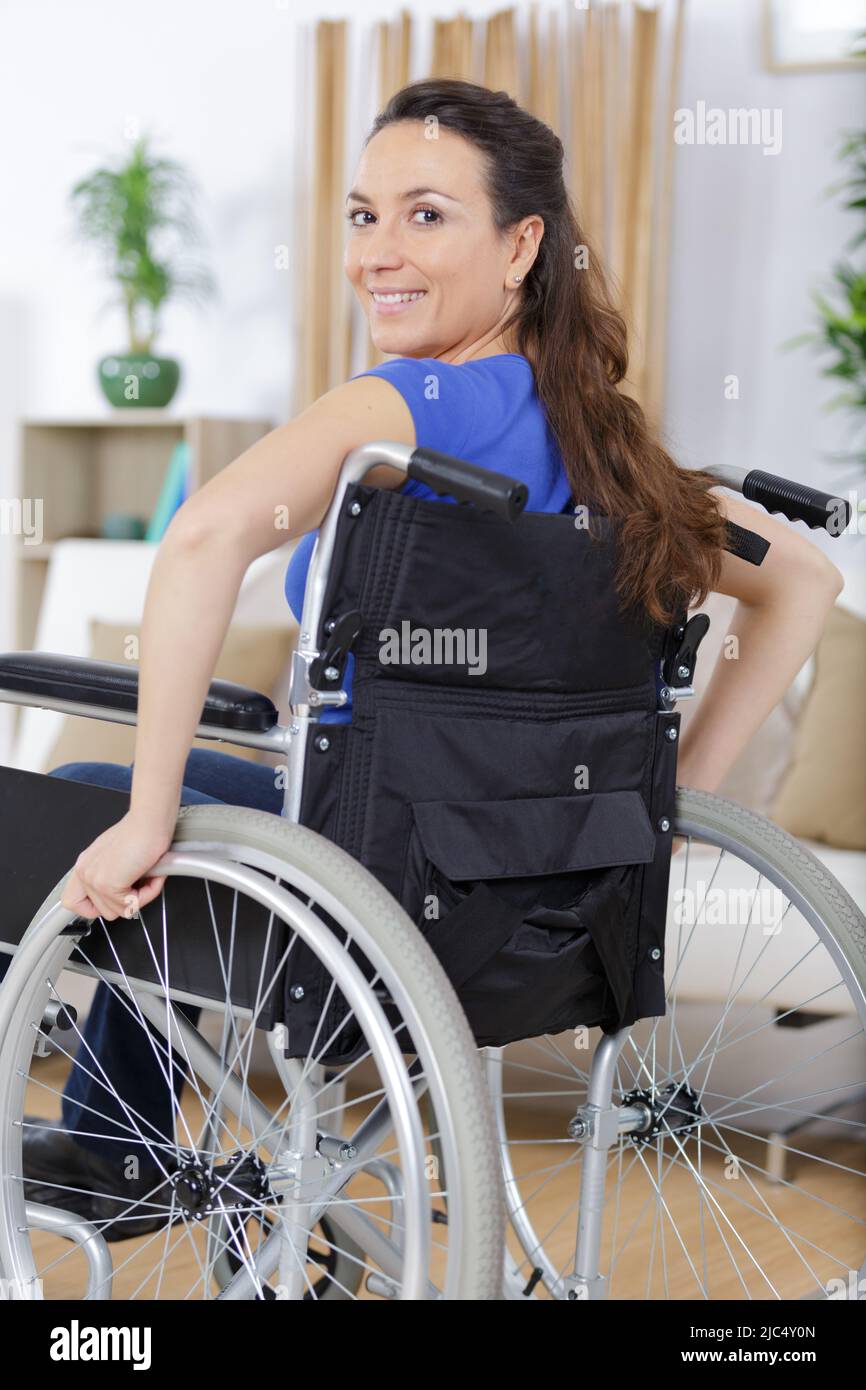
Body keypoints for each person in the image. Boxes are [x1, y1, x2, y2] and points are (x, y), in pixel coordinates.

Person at [23, 78, 843, 1232]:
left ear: (520, 245)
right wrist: (670, 797)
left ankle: (114, 1145)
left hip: (367, 881)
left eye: (424, 214)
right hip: (540, 899)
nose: (375, 251)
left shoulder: (399, 405)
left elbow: (203, 534)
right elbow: (806, 578)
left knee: (75, 800)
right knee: (195, 795)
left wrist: (149, 813)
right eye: (361, 215)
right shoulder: (609, 450)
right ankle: (122, 1133)